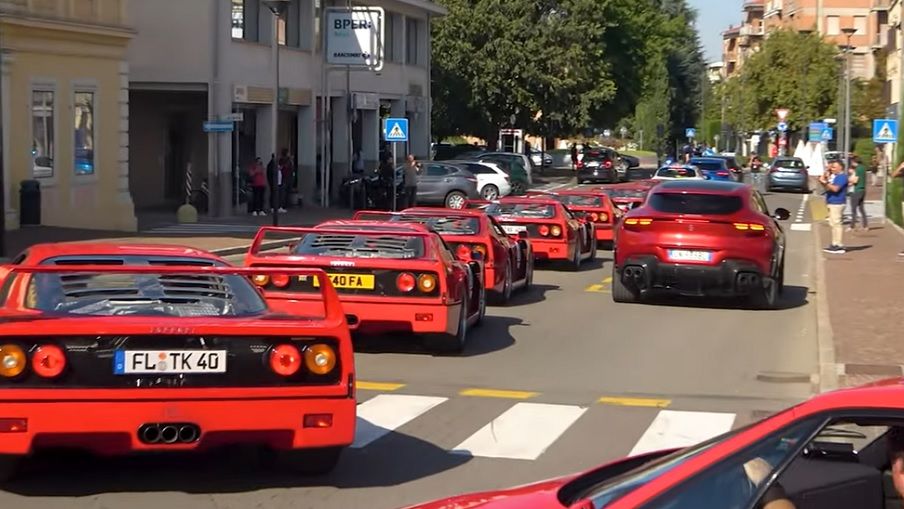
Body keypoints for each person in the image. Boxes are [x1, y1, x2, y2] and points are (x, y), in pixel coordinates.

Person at [819, 160, 849, 254]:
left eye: (834, 167)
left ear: (841, 167)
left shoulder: (842, 177)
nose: (833, 169)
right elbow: (826, 185)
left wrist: (825, 182)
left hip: (837, 202)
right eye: (832, 167)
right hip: (832, 202)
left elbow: (835, 189)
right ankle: (834, 243)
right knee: (833, 224)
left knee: (837, 223)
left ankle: (838, 245)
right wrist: (825, 176)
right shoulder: (835, 177)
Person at [848, 155, 867, 231]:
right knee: (862, 209)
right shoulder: (863, 168)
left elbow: (855, 180)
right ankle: (865, 225)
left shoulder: (858, 169)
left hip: (856, 190)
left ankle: (852, 226)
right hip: (863, 189)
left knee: (853, 209)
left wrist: (849, 181)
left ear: (853, 161)